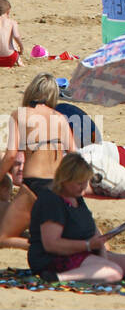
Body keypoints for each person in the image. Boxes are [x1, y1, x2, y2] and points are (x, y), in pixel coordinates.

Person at [27, 155, 125, 282]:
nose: (84, 187)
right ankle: (57, 278)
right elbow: (51, 244)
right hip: (53, 258)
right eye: (79, 183)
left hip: (82, 252)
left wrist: (101, 248)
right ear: (65, 180)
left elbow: (92, 228)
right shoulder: (51, 201)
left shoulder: (76, 197)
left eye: (86, 182)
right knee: (113, 272)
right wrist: (88, 245)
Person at [0, 74, 75, 249]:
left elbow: (11, 155)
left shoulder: (20, 114)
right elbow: (74, 156)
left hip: (34, 185)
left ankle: (39, 246)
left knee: (3, 237)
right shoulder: (61, 118)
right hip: (58, 186)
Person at [0, 0, 22, 68]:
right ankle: (19, 61)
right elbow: (16, 36)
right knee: (11, 38)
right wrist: (21, 48)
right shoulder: (12, 22)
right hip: (10, 58)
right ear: (8, 11)